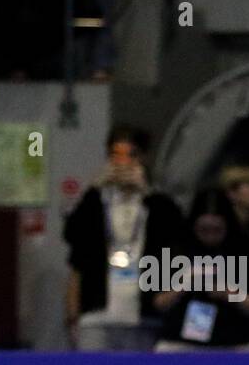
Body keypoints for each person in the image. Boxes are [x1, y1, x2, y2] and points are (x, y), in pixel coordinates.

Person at [63, 125, 184, 350]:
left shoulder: (157, 204)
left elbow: (176, 233)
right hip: (98, 315)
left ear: (143, 158)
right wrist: (93, 188)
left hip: (142, 315)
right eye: (116, 155)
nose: (124, 163)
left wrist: (146, 191)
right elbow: (72, 237)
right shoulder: (96, 203)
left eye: (132, 155)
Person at [150, 188, 249, 352]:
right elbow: (156, 304)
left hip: (234, 345)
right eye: (204, 230)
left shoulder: (247, 256)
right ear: (193, 226)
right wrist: (183, 285)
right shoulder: (173, 254)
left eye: (217, 230)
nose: (210, 237)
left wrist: (230, 293)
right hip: (181, 345)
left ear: (228, 226)